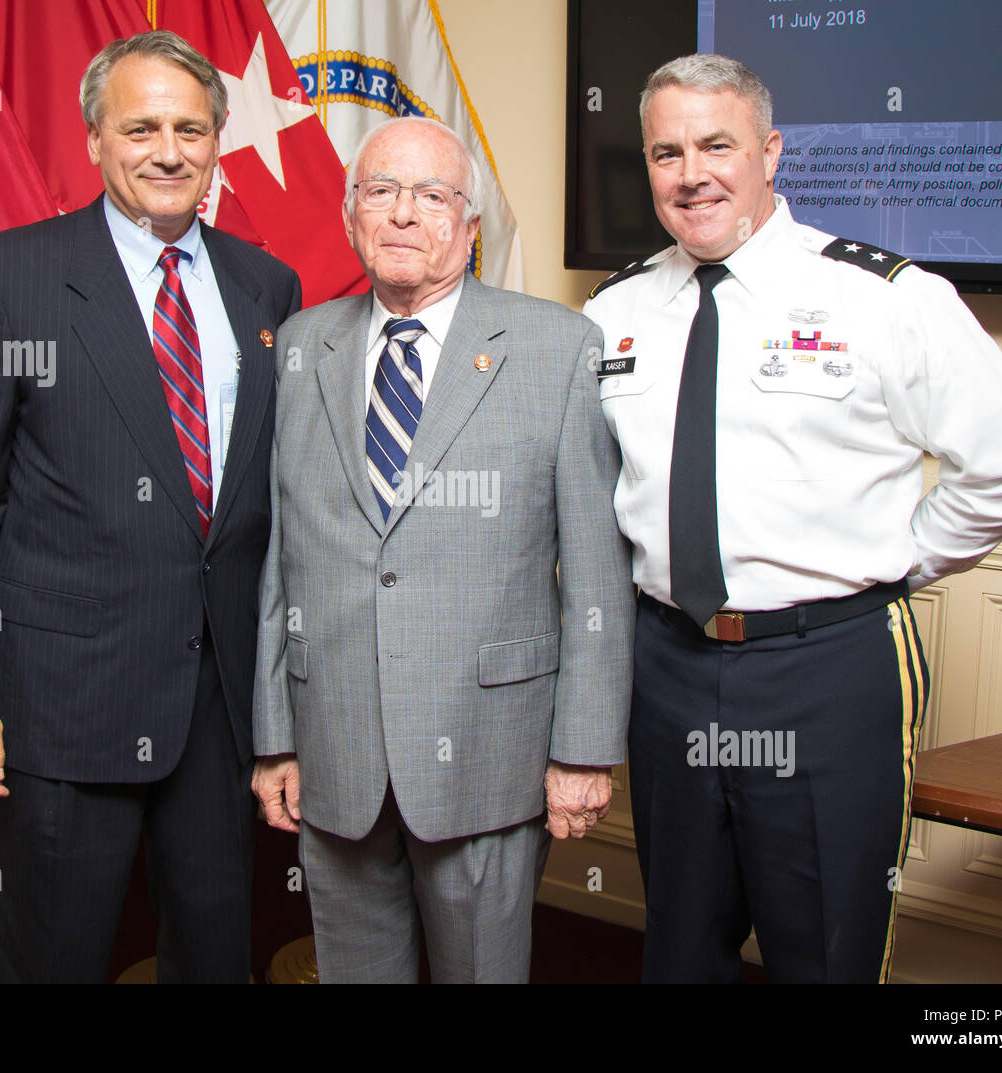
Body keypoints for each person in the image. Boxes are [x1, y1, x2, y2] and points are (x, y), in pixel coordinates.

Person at [583, 53, 1002, 983]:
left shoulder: (882, 298)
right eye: (666, 152)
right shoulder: (615, 310)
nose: (692, 174)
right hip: (667, 660)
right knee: (681, 942)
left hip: (827, 670)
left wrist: (896, 565)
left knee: (827, 946)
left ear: (770, 151)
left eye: (717, 144)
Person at [0, 30, 301, 983]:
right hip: (61, 703)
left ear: (216, 142)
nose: (169, 151)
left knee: (215, 956)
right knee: (56, 957)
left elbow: (272, 508)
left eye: (191, 128)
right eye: (141, 128)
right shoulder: (10, 278)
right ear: (94, 139)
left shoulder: (267, 284)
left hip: (218, 707)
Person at [251, 116, 633, 983]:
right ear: (353, 214)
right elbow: (281, 553)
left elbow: (597, 571)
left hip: (488, 748)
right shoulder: (305, 344)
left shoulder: (555, 345)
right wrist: (275, 734)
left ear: (469, 227)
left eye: (431, 195)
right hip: (334, 749)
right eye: (381, 191)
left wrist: (581, 749)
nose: (403, 215)